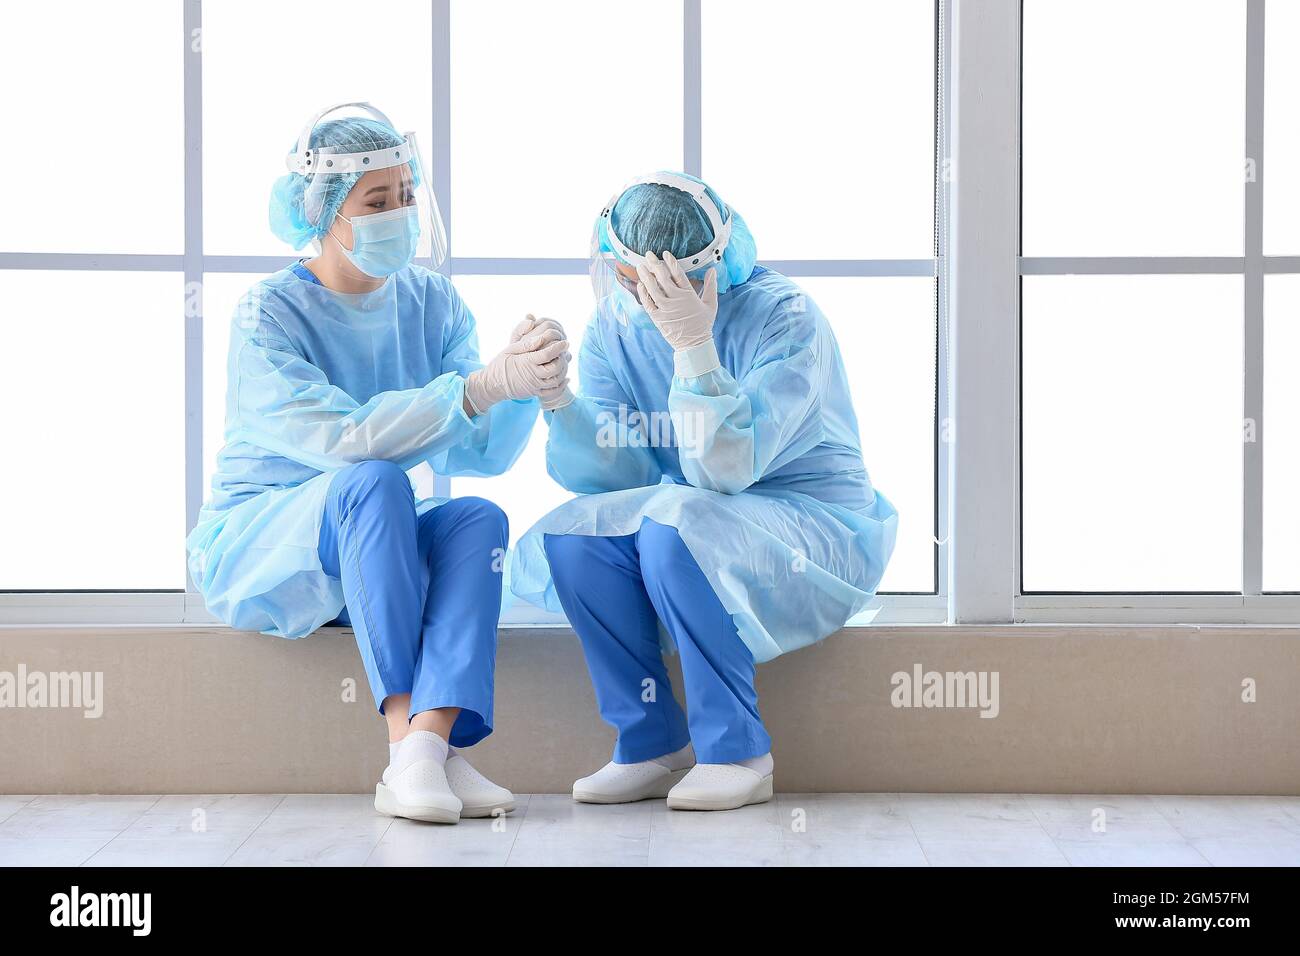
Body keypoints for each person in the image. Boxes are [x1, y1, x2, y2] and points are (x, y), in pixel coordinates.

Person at [186, 103, 570, 824]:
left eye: (404, 195)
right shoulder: (265, 315)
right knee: (371, 480)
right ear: (321, 210)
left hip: (376, 538)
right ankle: (405, 746)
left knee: (473, 519)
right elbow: (345, 442)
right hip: (268, 540)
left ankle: (433, 745)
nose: (398, 214)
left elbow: (479, 450)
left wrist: (524, 382)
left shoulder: (430, 301)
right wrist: (480, 387)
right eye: (375, 201)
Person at [511, 172, 897, 811]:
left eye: (666, 282)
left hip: (815, 525)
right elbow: (617, 474)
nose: (645, 295)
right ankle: (649, 741)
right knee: (578, 534)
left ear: (716, 260)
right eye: (634, 280)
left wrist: (695, 348)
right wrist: (560, 403)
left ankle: (737, 751)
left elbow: (725, 471)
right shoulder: (616, 325)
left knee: (675, 527)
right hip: (699, 516)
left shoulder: (785, 318)